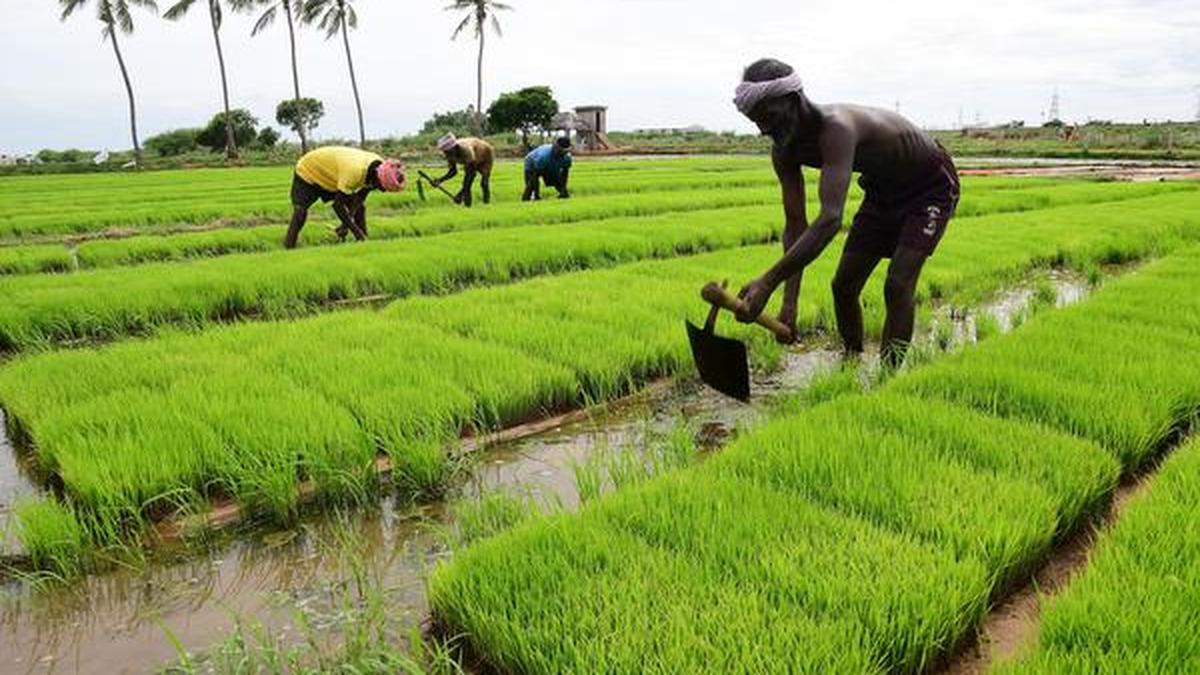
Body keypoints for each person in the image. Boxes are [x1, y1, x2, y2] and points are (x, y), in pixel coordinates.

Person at [731, 58, 959, 368]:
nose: (764, 129)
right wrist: (789, 303)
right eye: (757, 122)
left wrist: (767, 282)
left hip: (928, 186)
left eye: (769, 117)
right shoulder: (782, 149)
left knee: (897, 283)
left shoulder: (837, 127)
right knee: (843, 286)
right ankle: (851, 363)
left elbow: (829, 219)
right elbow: (796, 224)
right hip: (881, 191)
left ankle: (887, 379)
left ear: (793, 100)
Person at [286, 145, 407, 249]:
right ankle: (289, 246)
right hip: (309, 170)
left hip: (333, 176)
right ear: (377, 179)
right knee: (300, 212)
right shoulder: (355, 172)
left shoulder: (379, 168)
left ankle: (364, 242)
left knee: (360, 208)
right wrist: (355, 231)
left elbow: (360, 198)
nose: (381, 190)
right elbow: (337, 206)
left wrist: (345, 225)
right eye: (381, 187)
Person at [431, 133, 495, 207]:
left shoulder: (466, 150)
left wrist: (460, 194)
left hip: (485, 154)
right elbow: (453, 172)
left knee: (484, 183)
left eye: (448, 152)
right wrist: (440, 180)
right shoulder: (449, 155)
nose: (447, 155)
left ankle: (486, 204)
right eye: (445, 152)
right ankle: (468, 207)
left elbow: (471, 174)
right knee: (466, 186)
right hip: (472, 159)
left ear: (454, 148)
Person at [522, 136, 573, 201]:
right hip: (531, 163)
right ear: (556, 147)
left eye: (565, 152)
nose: (564, 153)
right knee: (531, 185)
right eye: (561, 151)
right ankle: (528, 198)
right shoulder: (543, 156)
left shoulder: (567, 158)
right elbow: (535, 176)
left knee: (556, 181)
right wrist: (536, 195)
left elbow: (564, 175)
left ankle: (563, 194)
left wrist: (564, 190)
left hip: (550, 163)